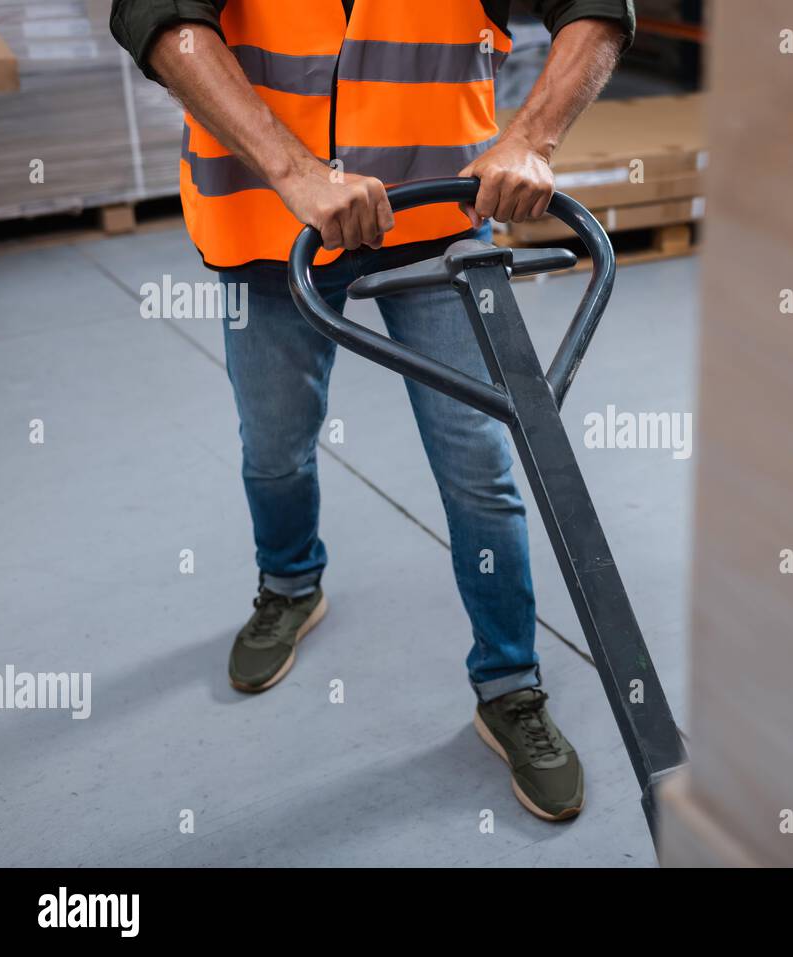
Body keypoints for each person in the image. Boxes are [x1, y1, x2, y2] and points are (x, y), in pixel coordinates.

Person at [110, 0, 633, 823]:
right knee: (275, 443)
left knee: (480, 464)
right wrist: (295, 171)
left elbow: (597, 7)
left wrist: (532, 137)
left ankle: (508, 683)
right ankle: (290, 583)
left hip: (435, 225)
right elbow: (154, 15)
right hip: (270, 226)